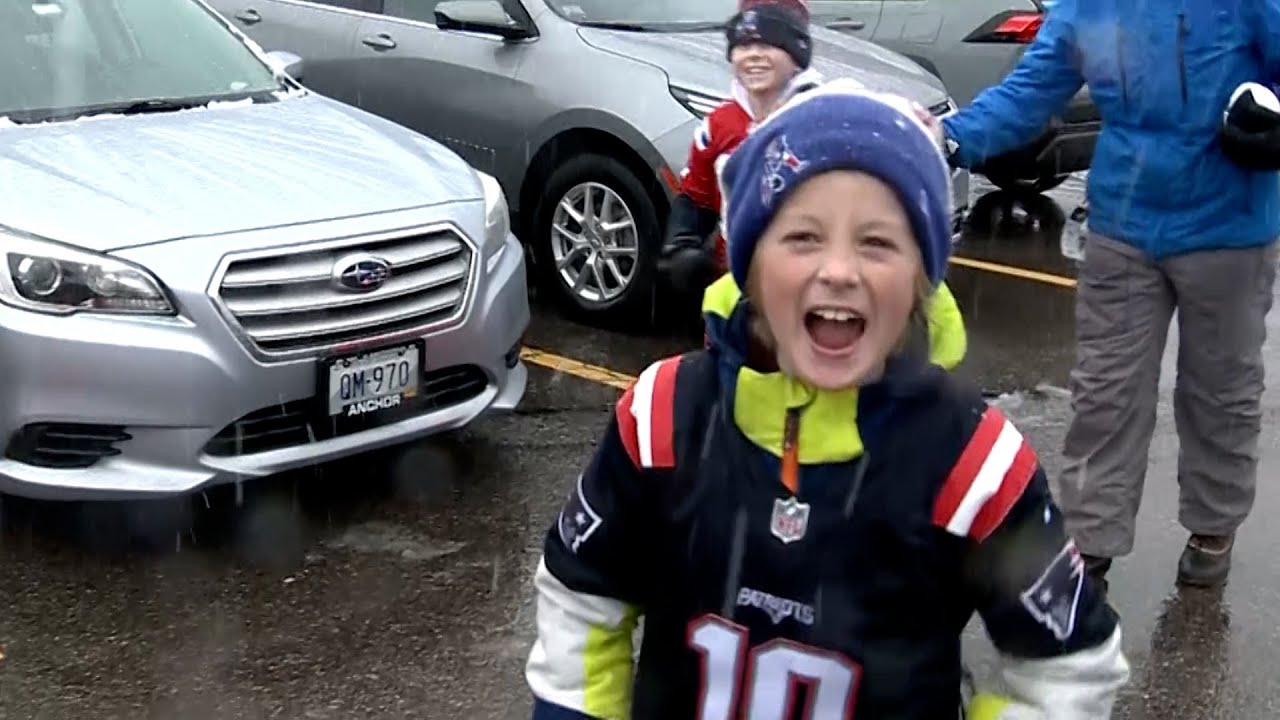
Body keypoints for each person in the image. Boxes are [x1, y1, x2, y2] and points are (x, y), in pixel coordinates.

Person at [525, 82, 1129, 720]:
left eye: (877, 243)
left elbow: (1069, 667)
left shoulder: (973, 460)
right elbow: (582, 597)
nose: (839, 270)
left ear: (922, 281)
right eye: (803, 237)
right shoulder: (663, 416)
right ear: (749, 266)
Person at [934, 0, 1280, 590]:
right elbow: (1029, 91)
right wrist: (946, 136)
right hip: (1125, 224)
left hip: (1230, 228)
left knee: (1220, 390)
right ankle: (1090, 541)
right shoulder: (1088, 7)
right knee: (1105, 391)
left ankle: (1213, 526)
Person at [660, 0, 969, 370]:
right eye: (743, 45)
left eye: (770, 45)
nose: (754, 57)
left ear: (797, 53)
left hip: (813, 296)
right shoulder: (719, 125)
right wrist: (681, 243)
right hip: (740, 296)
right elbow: (698, 195)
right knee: (739, 396)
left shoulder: (828, 115)